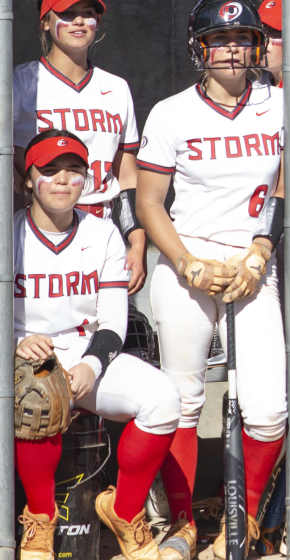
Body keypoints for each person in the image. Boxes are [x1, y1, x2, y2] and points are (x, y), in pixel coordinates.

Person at [136, 0, 286, 560]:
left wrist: (259, 253)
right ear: (199, 48)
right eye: (219, 41)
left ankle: (239, 521)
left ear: (256, 46)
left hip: (253, 259)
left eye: (241, 39)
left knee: (269, 406)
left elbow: (286, 183)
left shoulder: (277, 103)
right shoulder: (172, 111)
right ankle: (180, 523)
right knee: (181, 398)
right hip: (187, 256)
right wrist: (186, 263)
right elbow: (150, 201)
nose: (230, 50)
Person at [15, 129, 181, 560]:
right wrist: (14, 342)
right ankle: (39, 523)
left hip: (84, 352)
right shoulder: (8, 233)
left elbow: (113, 321)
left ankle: (123, 511)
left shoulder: (103, 233)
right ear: (27, 179)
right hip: (24, 354)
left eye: (73, 172)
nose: (63, 181)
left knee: (163, 398)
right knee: (38, 393)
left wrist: (91, 365)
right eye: (49, 172)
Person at [14, 0, 148, 293]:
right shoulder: (20, 84)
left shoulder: (115, 88)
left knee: (106, 329)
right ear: (45, 22)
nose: (79, 21)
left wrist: (136, 238)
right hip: (39, 228)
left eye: (88, 13)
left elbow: (126, 175)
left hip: (101, 227)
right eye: (66, 12)